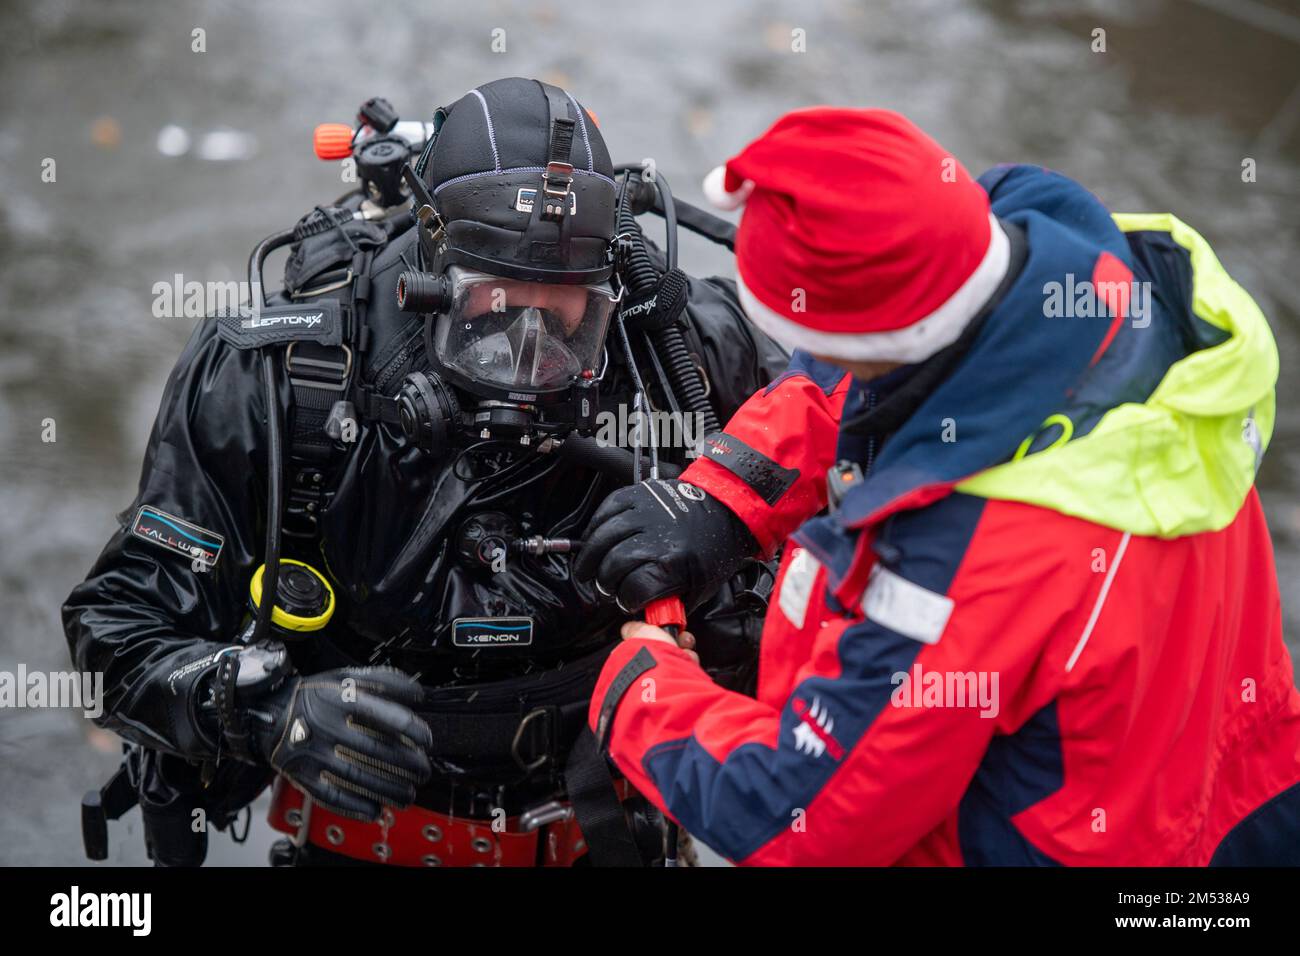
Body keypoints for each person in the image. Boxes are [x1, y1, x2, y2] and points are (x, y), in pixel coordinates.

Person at [63, 77, 786, 867]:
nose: (529, 349)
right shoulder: (282, 377)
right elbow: (116, 627)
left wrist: (731, 510)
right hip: (358, 842)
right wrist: (267, 710)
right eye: (497, 303)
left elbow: (868, 474)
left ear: (607, 288)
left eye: (567, 314)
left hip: (609, 837)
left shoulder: (684, 353)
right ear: (431, 269)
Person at [576, 107, 1300, 865]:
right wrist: (727, 496)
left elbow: (806, 816)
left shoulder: (968, 568)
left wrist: (642, 695)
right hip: (1248, 795)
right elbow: (879, 358)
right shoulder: (1093, 285)